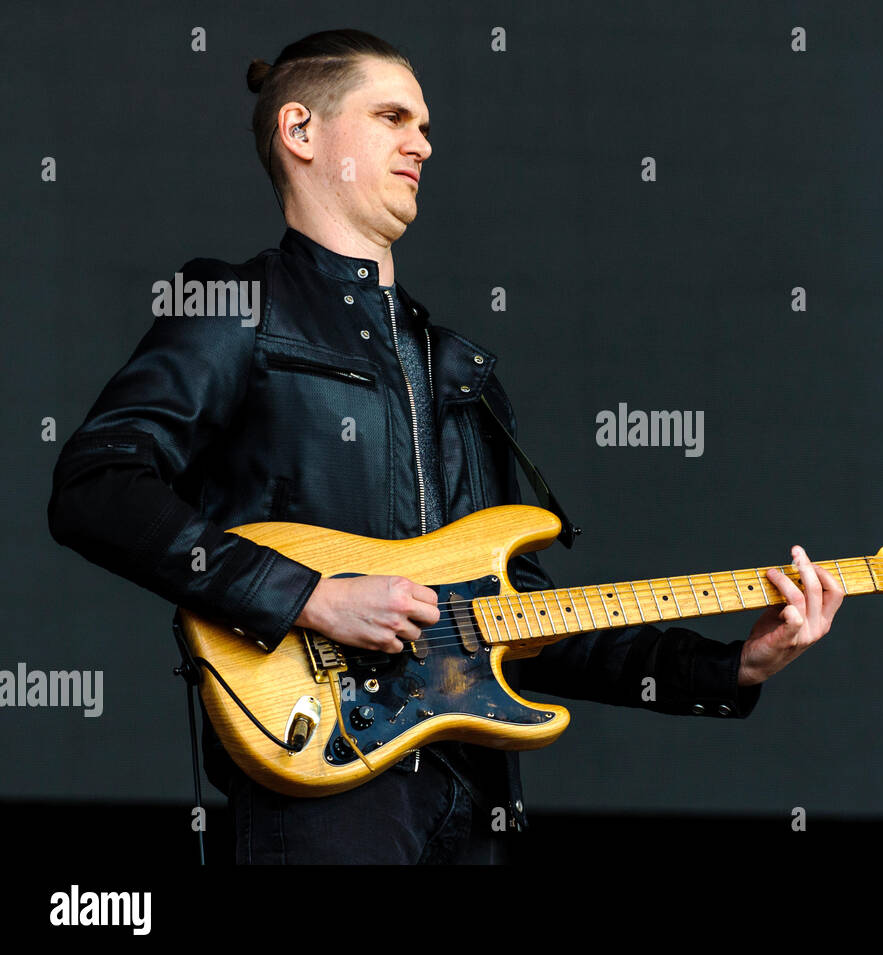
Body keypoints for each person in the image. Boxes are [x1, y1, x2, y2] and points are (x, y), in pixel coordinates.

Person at [46, 29, 842, 864]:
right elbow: (97, 485)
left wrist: (731, 666)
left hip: (474, 795)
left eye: (425, 124)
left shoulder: (459, 368)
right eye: (392, 116)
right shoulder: (236, 302)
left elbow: (527, 616)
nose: (422, 141)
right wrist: (307, 596)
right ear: (301, 132)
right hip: (327, 787)